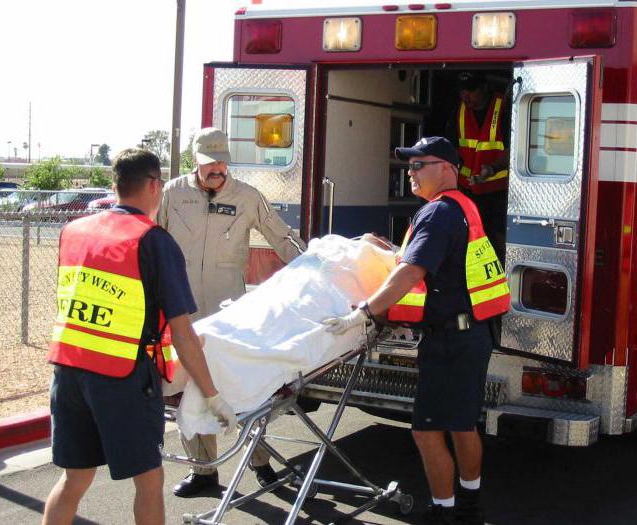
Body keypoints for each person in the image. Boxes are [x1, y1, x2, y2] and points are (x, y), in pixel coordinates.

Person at [42, 149, 235, 525]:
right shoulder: (154, 241)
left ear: (115, 185)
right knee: (149, 481)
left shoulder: (74, 231)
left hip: (68, 370)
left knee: (74, 478)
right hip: (122, 377)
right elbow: (182, 332)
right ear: (153, 185)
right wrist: (211, 395)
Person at [323, 137, 510, 525]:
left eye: (418, 165)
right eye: (408, 166)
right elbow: (432, 260)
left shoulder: (437, 213)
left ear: (446, 169)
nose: (410, 172)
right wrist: (388, 248)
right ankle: (469, 507)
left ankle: (444, 513)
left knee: (427, 431)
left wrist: (363, 313)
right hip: (469, 334)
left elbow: (411, 272)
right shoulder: (461, 208)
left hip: (450, 340)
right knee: (461, 424)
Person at [158, 127, 307, 497]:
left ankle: (262, 464)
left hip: (228, 314)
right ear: (196, 162)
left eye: (222, 162)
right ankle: (204, 472)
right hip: (183, 314)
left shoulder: (247, 196)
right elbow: (148, 236)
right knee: (189, 390)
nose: (217, 170)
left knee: (241, 391)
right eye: (210, 164)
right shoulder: (172, 194)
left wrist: (312, 266)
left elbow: (280, 235)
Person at [446, 71, 510, 261]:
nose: (466, 95)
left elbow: (515, 149)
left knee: (498, 239)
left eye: (472, 90)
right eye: (463, 90)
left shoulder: (504, 107)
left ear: (484, 89)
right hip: (468, 190)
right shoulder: (459, 110)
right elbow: (451, 149)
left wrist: (491, 169)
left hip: (500, 191)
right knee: (471, 239)